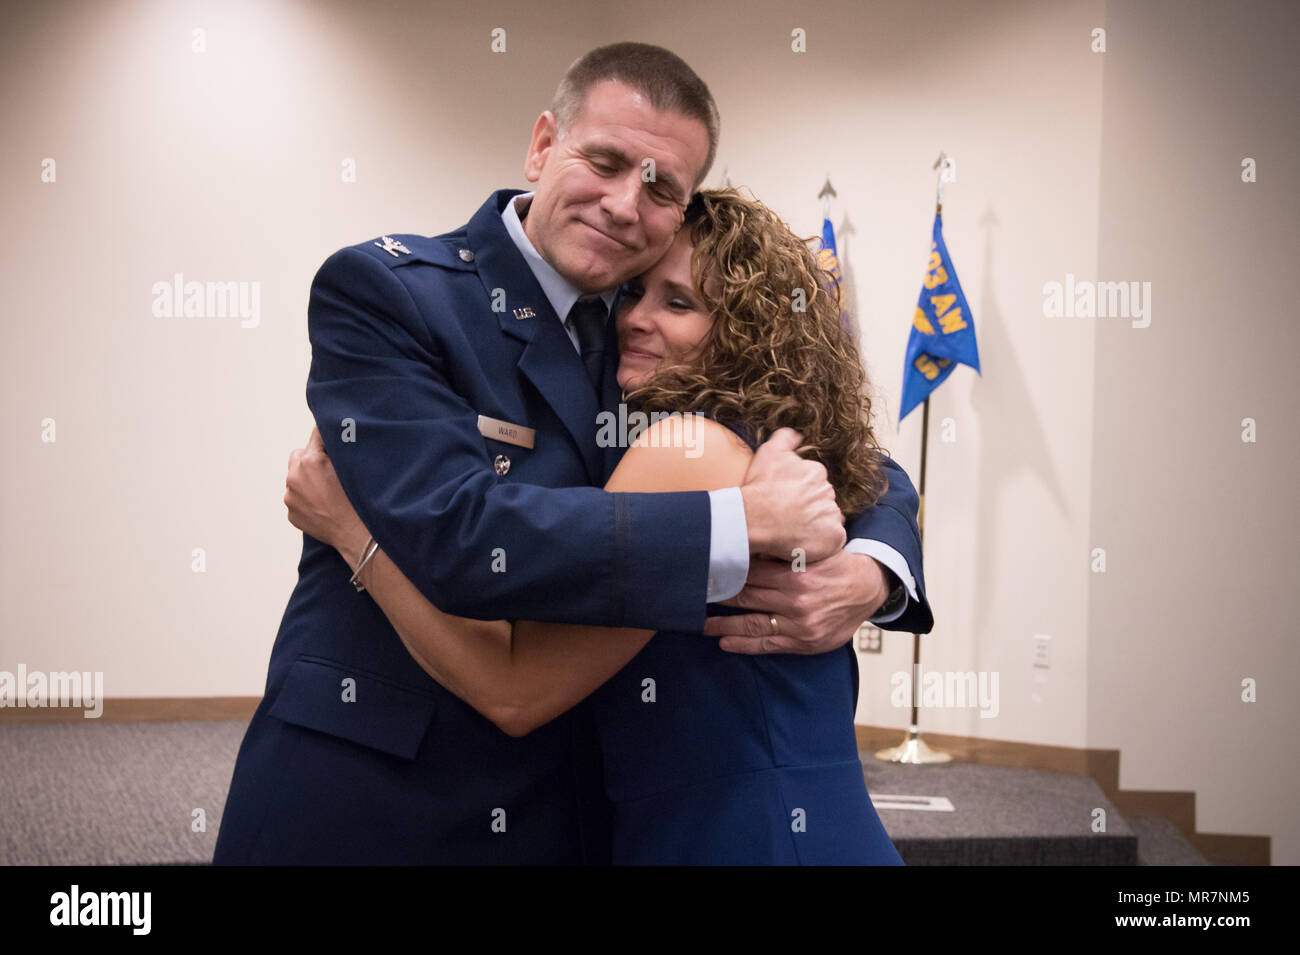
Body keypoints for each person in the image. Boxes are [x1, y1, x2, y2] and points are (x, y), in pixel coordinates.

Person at [214, 42, 931, 866]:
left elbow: (849, 459)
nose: (628, 204)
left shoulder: (643, 351)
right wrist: (738, 521)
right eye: (606, 160)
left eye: (663, 187)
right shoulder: (394, 294)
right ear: (543, 144)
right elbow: (465, 535)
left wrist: (872, 567)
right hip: (375, 798)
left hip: (568, 808)